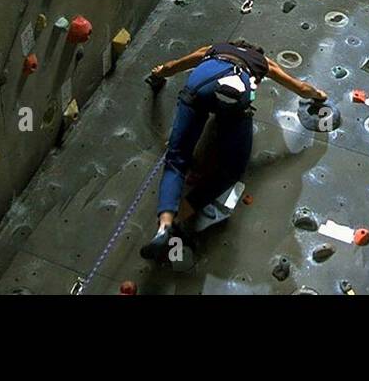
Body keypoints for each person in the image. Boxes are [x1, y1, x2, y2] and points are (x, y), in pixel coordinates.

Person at [139, 40, 329, 262]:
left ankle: (164, 226)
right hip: (234, 95)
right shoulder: (262, 61)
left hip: (200, 85)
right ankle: (182, 215)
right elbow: (301, 88)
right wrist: (319, 96)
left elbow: (174, 66)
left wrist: (159, 73)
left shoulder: (214, 48)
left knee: (176, 159)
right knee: (232, 168)